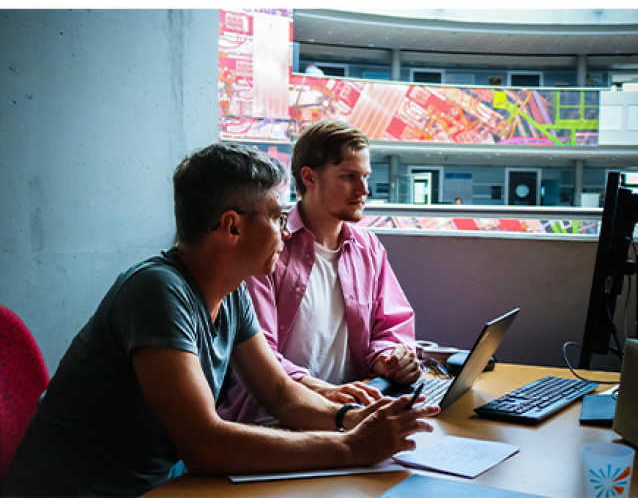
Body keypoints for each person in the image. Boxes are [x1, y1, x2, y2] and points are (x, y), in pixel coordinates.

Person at [1, 144, 437, 497]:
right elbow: (205, 445)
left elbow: (281, 393)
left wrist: (350, 418)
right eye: (277, 216)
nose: (286, 232)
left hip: (160, 488)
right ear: (232, 227)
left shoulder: (230, 293)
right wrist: (349, 448)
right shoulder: (157, 291)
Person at [220, 121, 417, 422]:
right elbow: (259, 354)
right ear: (309, 177)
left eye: (364, 177)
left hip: (354, 412)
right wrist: (324, 394)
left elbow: (391, 326)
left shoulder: (368, 247)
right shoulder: (267, 245)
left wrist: (390, 359)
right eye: (349, 177)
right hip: (275, 418)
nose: (364, 190)